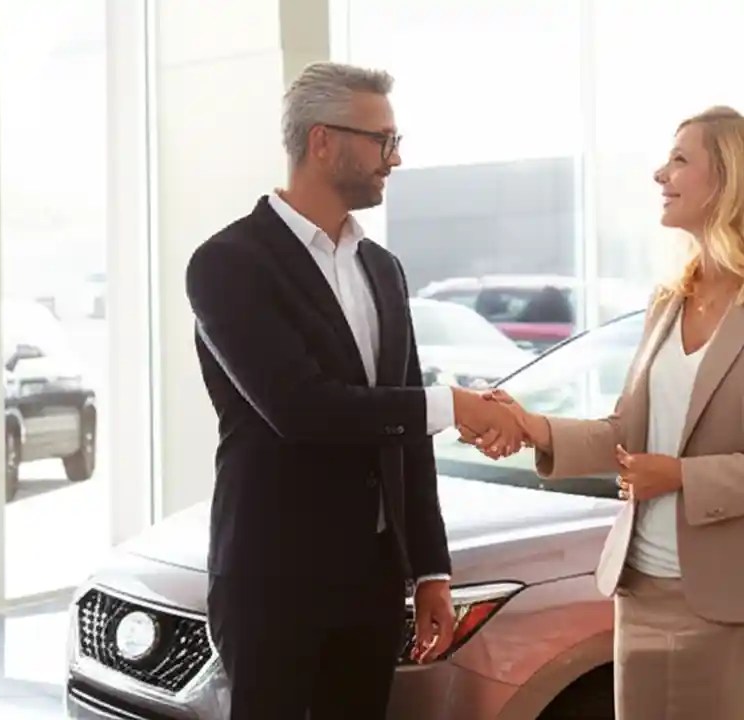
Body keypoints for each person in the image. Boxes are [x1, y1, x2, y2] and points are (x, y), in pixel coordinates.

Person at [184, 61, 524, 720]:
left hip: (372, 581)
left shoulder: (383, 269)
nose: (395, 159)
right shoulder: (228, 263)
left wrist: (430, 568)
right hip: (272, 581)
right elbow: (301, 408)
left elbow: (405, 432)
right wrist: (454, 405)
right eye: (382, 140)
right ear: (321, 141)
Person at [469, 106, 744, 719]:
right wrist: (530, 427)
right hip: (639, 589)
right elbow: (627, 433)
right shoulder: (669, 300)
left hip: (732, 603)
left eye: (680, 159)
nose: (659, 174)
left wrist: (679, 477)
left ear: (731, 178)